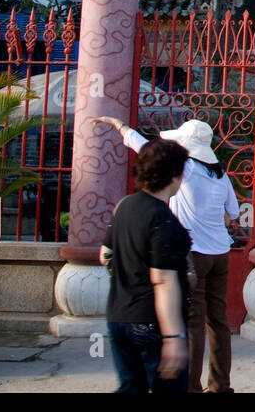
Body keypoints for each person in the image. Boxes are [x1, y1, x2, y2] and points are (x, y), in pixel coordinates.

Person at [97, 116, 240, 393]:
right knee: (218, 322)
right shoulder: (221, 175)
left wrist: (122, 128)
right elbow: (231, 214)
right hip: (220, 253)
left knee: (194, 323)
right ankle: (221, 386)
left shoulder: (184, 167)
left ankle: (191, 388)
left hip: (194, 254)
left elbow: (145, 148)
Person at [98, 135, 192, 393]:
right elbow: (163, 281)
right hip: (151, 323)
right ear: (173, 176)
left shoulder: (124, 206)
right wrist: (173, 337)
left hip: (118, 316)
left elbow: (105, 254)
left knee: (131, 387)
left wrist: (128, 272)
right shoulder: (163, 221)